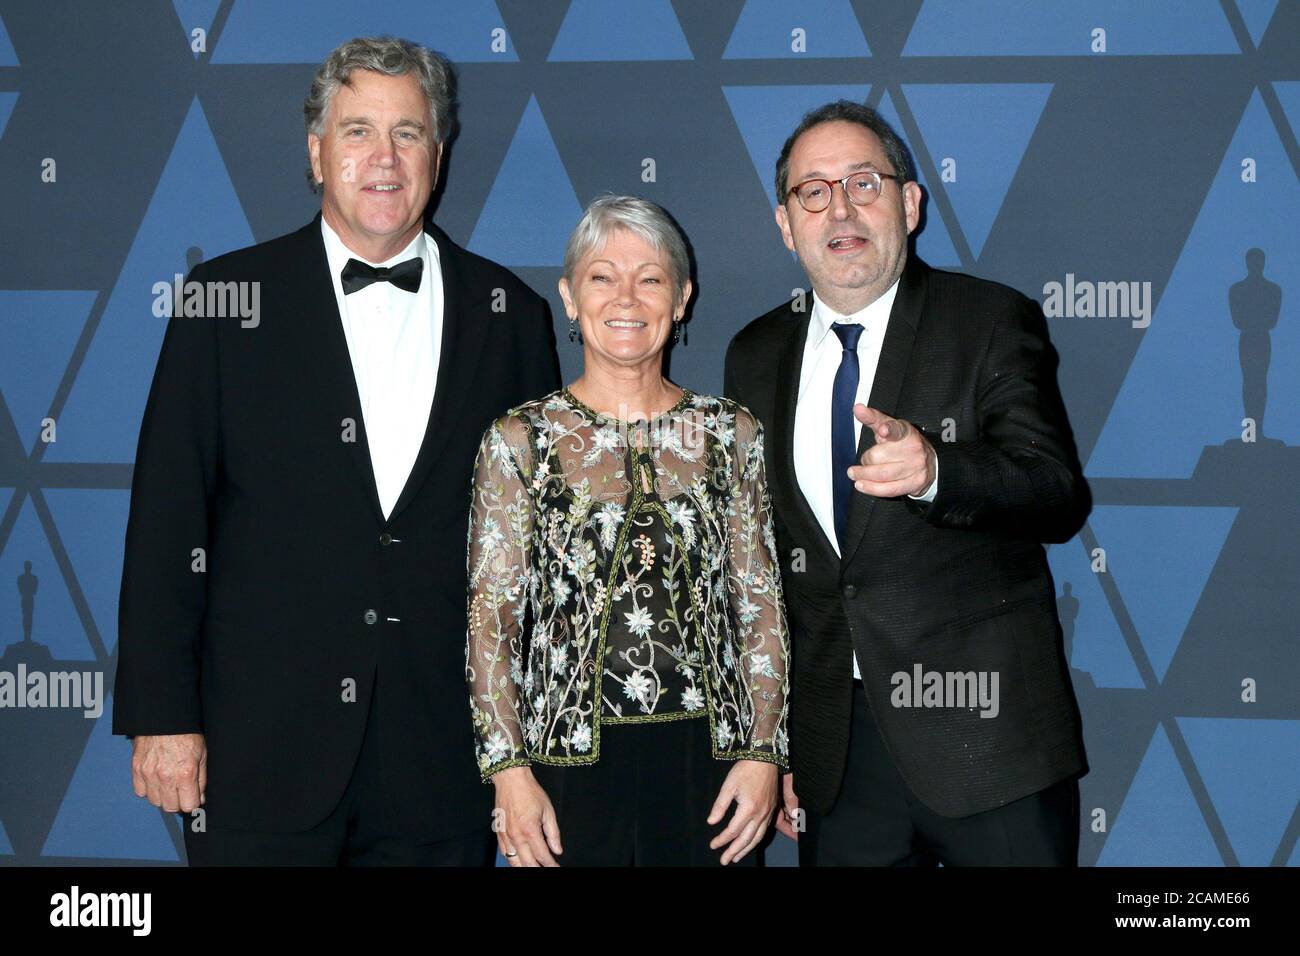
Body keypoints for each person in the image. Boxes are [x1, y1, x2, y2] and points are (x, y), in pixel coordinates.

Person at [113, 36, 560, 865]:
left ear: (440, 151)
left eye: (408, 132)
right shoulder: (223, 304)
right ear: (316, 153)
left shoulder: (512, 315)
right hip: (258, 753)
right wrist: (163, 716)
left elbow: (532, 550)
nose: (384, 158)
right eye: (358, 132)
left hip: (443, 761)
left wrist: (524, 749)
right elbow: (169, 522)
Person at [725, 100, 1090, 866]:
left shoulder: (989, 319)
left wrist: (937, 472)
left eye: (865, 182)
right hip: (840, 757)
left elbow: (1056, 493)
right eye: (813, 191)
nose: (841, 208)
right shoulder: (753, 354)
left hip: (991, 747)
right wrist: (786, 740)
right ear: (785, 224)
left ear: (910, 203)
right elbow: (775, 570)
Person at [466, 195, 790, 866]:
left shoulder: (732, 434)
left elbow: (758, 605)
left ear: (682, 298)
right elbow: (490, 618)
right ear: (570, 296)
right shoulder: (519, 441)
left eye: (651, 278)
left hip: (712, 763)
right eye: (602, 275)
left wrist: (764, 754)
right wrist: (508, 772)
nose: (626, 297)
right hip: (563, 768)